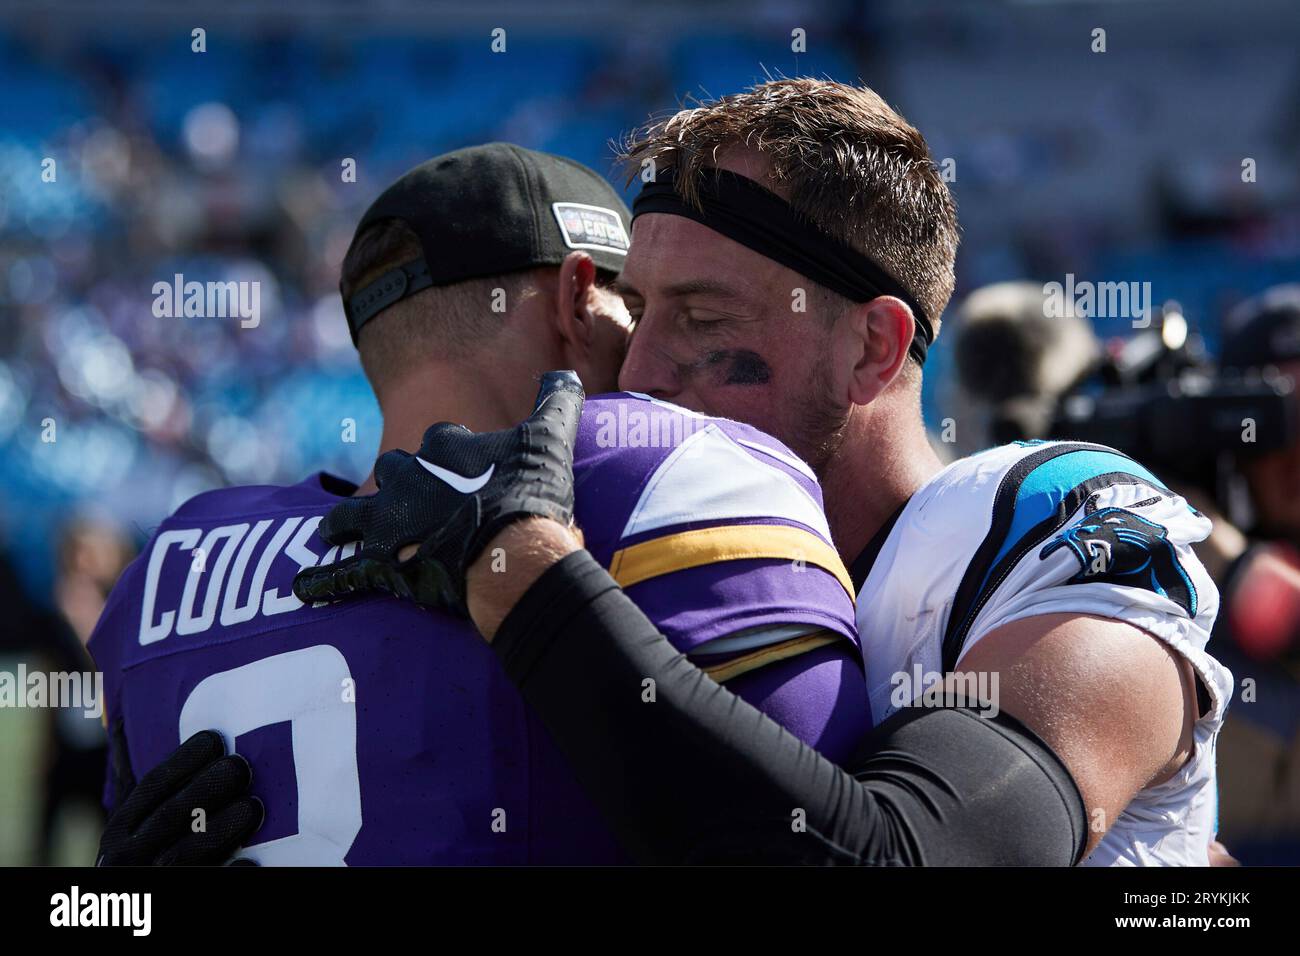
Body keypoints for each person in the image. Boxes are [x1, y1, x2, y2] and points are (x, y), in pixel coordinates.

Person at [301, 78, 1229, 866]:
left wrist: (533, 582)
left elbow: (909, 853)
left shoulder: (1040, 521)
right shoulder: (679, 552)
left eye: (703, 320)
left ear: (872, 348)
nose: (640, 369)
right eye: (638, 311)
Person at [88, 143, 868, 865]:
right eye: (634, 307)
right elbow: (835, 843)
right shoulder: (664, 468)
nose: (651, 358)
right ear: (578, 298)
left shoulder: (171, 565)